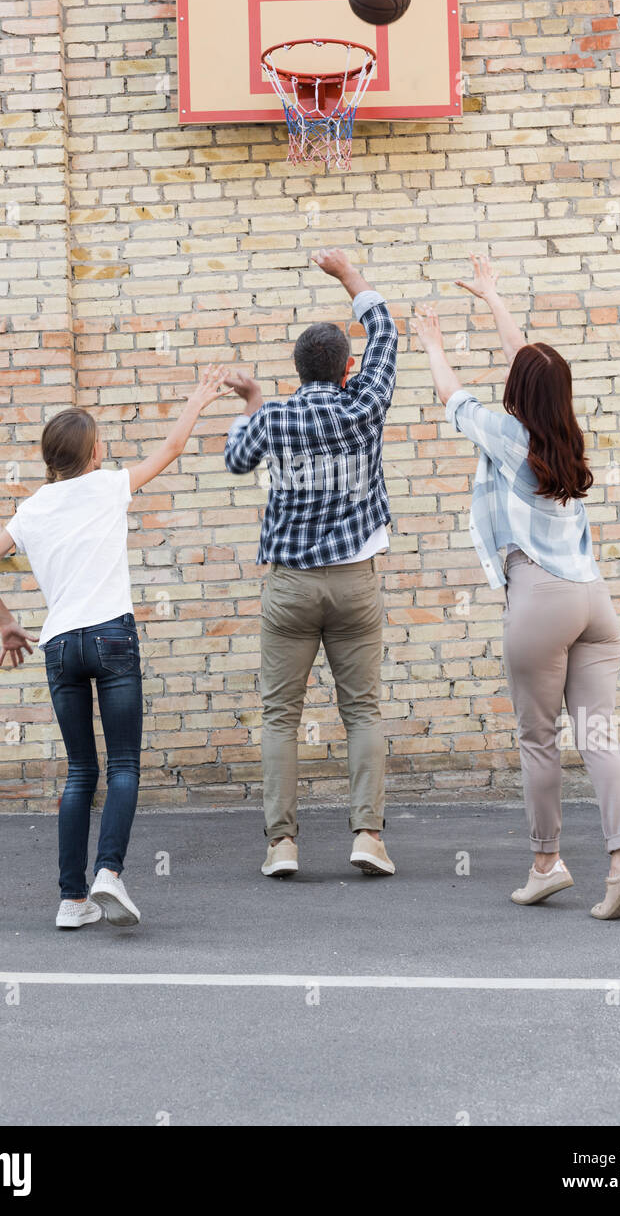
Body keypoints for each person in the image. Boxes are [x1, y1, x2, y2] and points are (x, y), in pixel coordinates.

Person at [413, 254, 620, 920]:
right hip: (592, 602)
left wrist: (433, 344)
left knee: (538, 738)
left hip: (538, 598)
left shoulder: (505, 433)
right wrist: (492, 297)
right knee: (598, 735)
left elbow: (451, 398)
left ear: (518, 393)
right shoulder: (564, 434)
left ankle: (546, 865)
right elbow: (531, 369)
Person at [0, 366, 227, 929]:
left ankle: (71, 900)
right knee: (125, 764)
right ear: (93, 453)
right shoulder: (109, 484)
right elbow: (174, 446)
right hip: (111, 635)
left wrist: (9, 623)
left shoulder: (32, 508)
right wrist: (198, 398)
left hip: (59, 645)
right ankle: (109, 873)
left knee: (80, 772)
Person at [224, 248, 398, 879]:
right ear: (346, 368)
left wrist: (251, 400)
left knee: (280, 715)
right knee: (362, 712)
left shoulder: (275, 415)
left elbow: (238, 459)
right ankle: (368, 837)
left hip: (290, 587)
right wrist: (352, 277)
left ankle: (282, 845)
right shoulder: (363, 407)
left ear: (297, 370)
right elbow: (386, 331)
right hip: (355, 584)